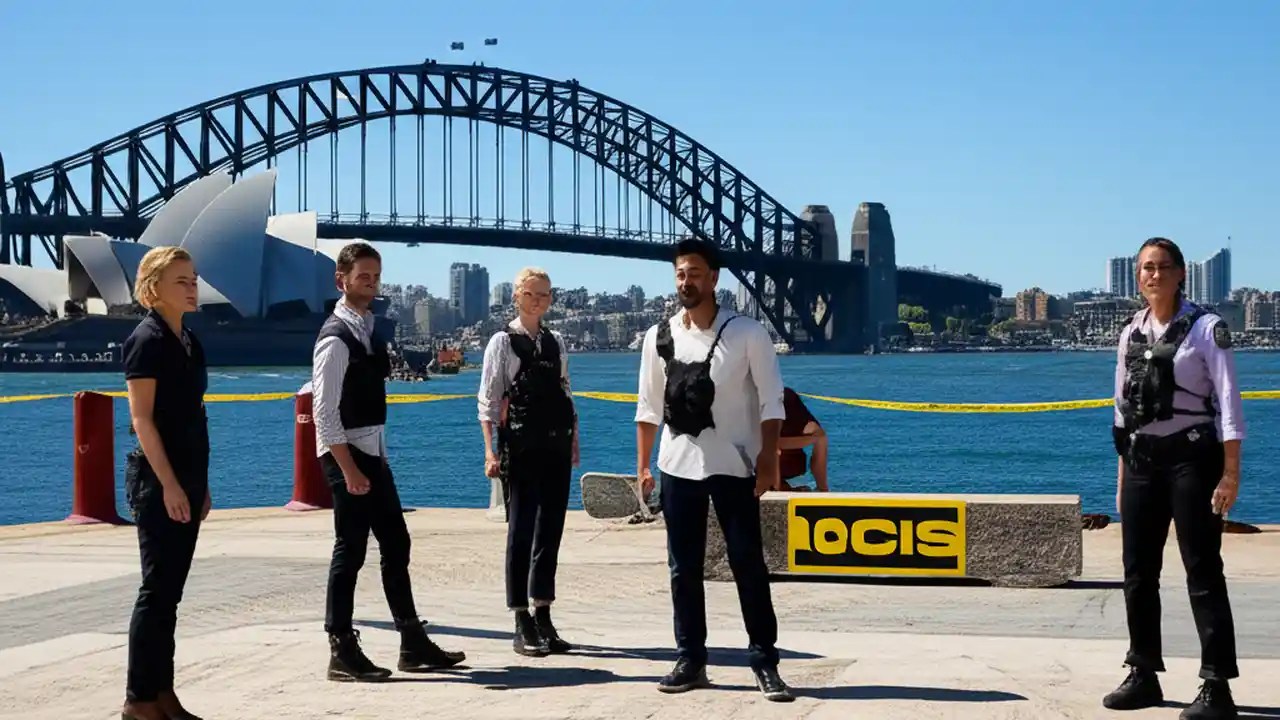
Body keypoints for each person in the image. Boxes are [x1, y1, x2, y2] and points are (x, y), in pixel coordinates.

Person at [634, 236, 794, 702]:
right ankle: (691, 657)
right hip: (677, 467)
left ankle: (765, 660)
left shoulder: (747, 333)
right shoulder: (658, 337)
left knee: (748, 564)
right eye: (681, 274)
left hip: (735, 466)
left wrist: (768, 459)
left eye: (695, 273)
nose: (687, 281)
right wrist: (643, 464)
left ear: (714, 278)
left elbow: (771, 400)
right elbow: (647, 406)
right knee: (683, 568)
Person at [312, 241, 464, 681]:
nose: (372, 284)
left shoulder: (367, 327)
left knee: (397, 545)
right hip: (350, 457)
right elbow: (323, 415)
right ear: (342, 281)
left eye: (376, 277)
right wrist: (350, 470)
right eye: (364, 277)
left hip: (373, 453)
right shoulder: (334, 340)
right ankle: (340, 647)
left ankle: (412, 643)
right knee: (350, 551)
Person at [1105, 237, 1244, 719]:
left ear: (1181, 273)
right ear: (1137, 276)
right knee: (1138, 573)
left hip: (1193, 460)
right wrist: (1123, 483)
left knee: (1202, 571)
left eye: (1163, 267)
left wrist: (1230, 475)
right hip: (1143, 461)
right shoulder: (1130, 333)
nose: (1154, 275)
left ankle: (1216, 684)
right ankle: (1143, 671)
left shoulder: (1207, 329)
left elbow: (1229, 406)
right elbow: (1123, 413)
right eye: (1146, 268)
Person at [121, 246, 210, 720]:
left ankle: (164, 695)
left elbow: (196, 414)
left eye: (194, 279)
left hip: (189, 477)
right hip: (160, 482)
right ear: (154, 287)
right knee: (156, 592)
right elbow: (142, 420)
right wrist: (171, 486)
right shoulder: (146, 339)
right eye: (182, 280)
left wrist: (202, 483)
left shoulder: (189, 341)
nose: (193, 287)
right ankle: (138, 701)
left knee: (170, 596)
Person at [478, 267, 579, 657]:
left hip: (556, 445)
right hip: (520, 448)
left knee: (550, 529)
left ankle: (544, 613)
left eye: (545, 295)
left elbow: (566, 391)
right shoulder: (501, 343)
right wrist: (490, 451)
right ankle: (520, 619)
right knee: (520, 530)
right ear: (517, 296)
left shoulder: (557, 342)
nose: (538, 301)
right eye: (531, 294)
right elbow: (488, 401)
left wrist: (574, 439)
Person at [778, 387, 829, 491]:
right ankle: (777, 487)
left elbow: (819, 434)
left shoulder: (787, 397)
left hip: (784, 466)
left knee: (820, 438)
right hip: (764, 467)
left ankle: (822, 488)